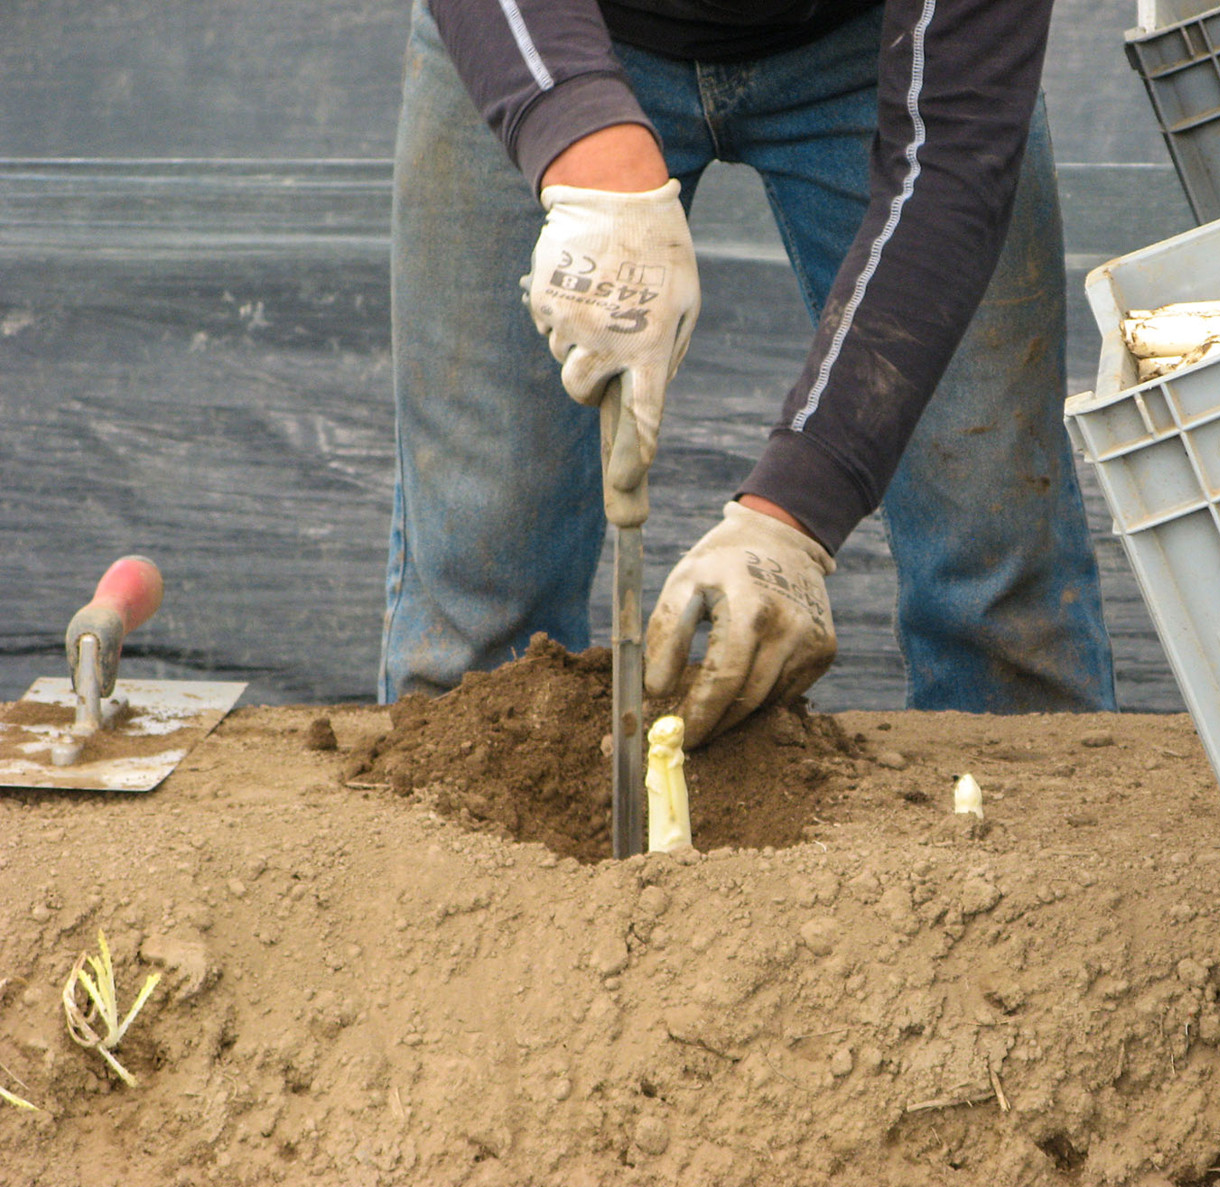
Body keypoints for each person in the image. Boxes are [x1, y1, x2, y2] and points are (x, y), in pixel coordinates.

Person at [379, 0, 1117, 746]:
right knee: (479, 600)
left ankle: (1023, 818)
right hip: (552, 26)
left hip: (869, 40)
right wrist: (588, 158)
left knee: (995, 580)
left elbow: (955, 156)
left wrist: (793, 517)